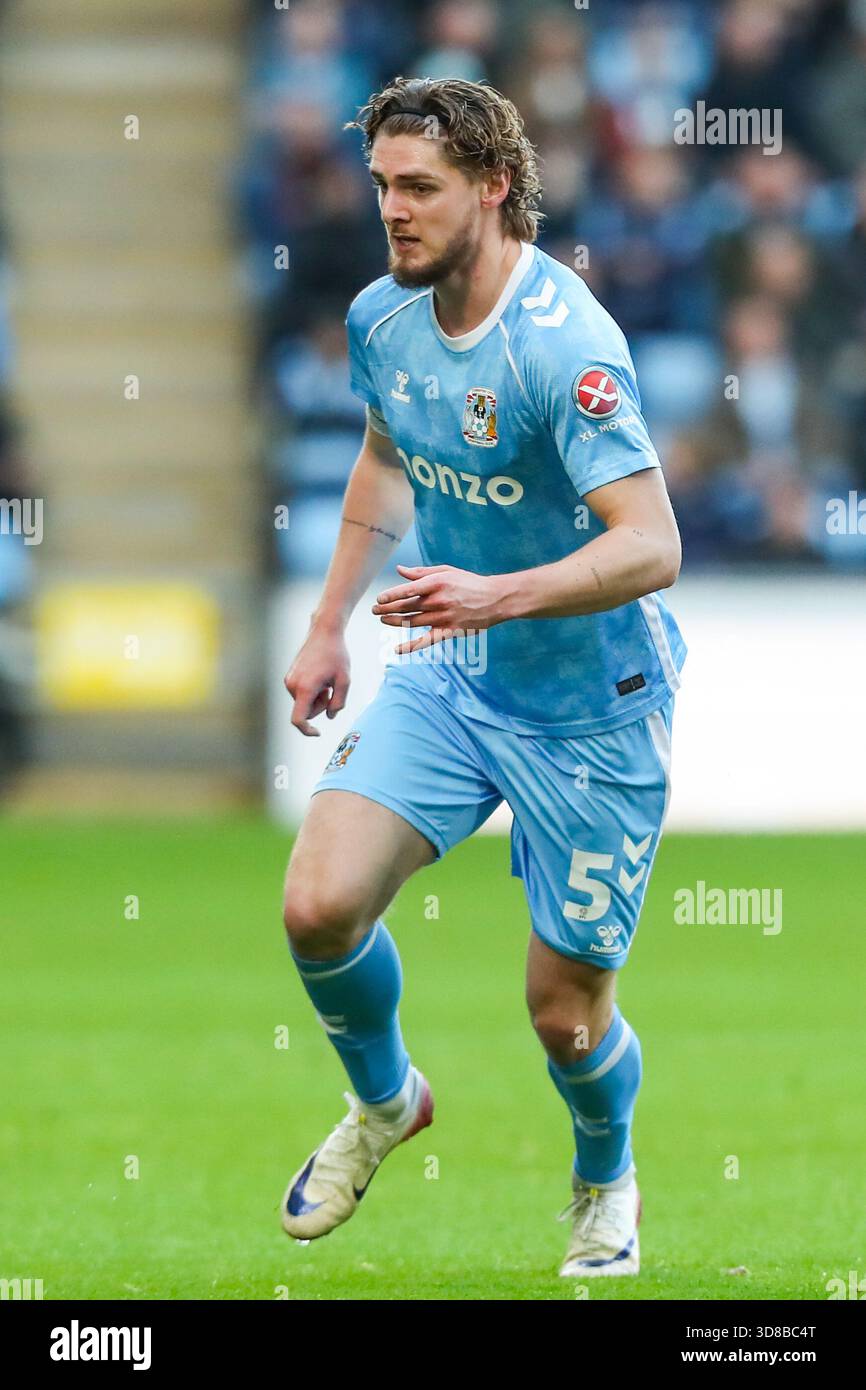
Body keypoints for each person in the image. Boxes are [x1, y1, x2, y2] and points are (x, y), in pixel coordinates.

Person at [279, 76, 686, 1279]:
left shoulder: (567, 347)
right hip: (450, 673)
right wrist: (324, 625)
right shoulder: (381, 320)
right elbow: (383, 453)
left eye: (419, 190)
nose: (393, 213)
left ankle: (604, 1178)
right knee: (316, 906)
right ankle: (385, 1100)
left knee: (563, 1015)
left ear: (492, 189)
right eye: (381, 189)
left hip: (591, 709)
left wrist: (492, 592)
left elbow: (650, 544)